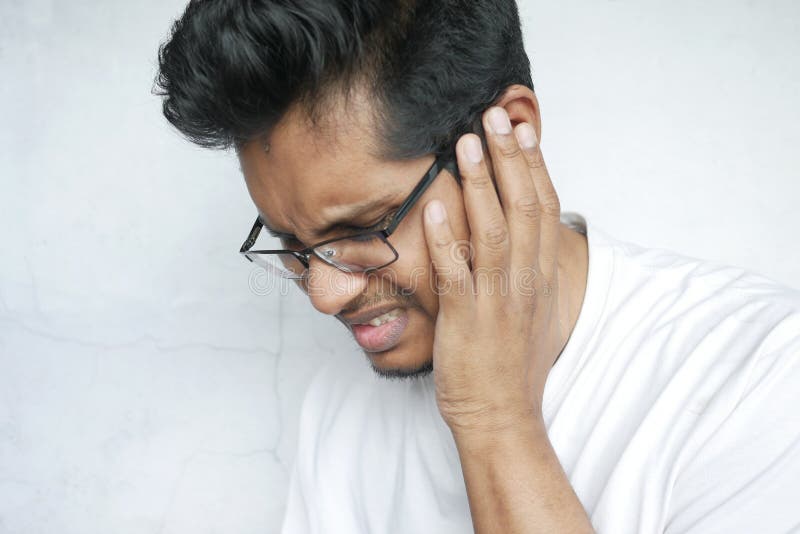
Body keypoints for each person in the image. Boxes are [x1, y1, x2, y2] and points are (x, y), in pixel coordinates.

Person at [154, 1, 800, 532]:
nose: (326, 293)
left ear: (506, 133)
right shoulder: (341, 404)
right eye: (289, 242)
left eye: (362, 228)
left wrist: (495, 418)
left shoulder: (765, 378)